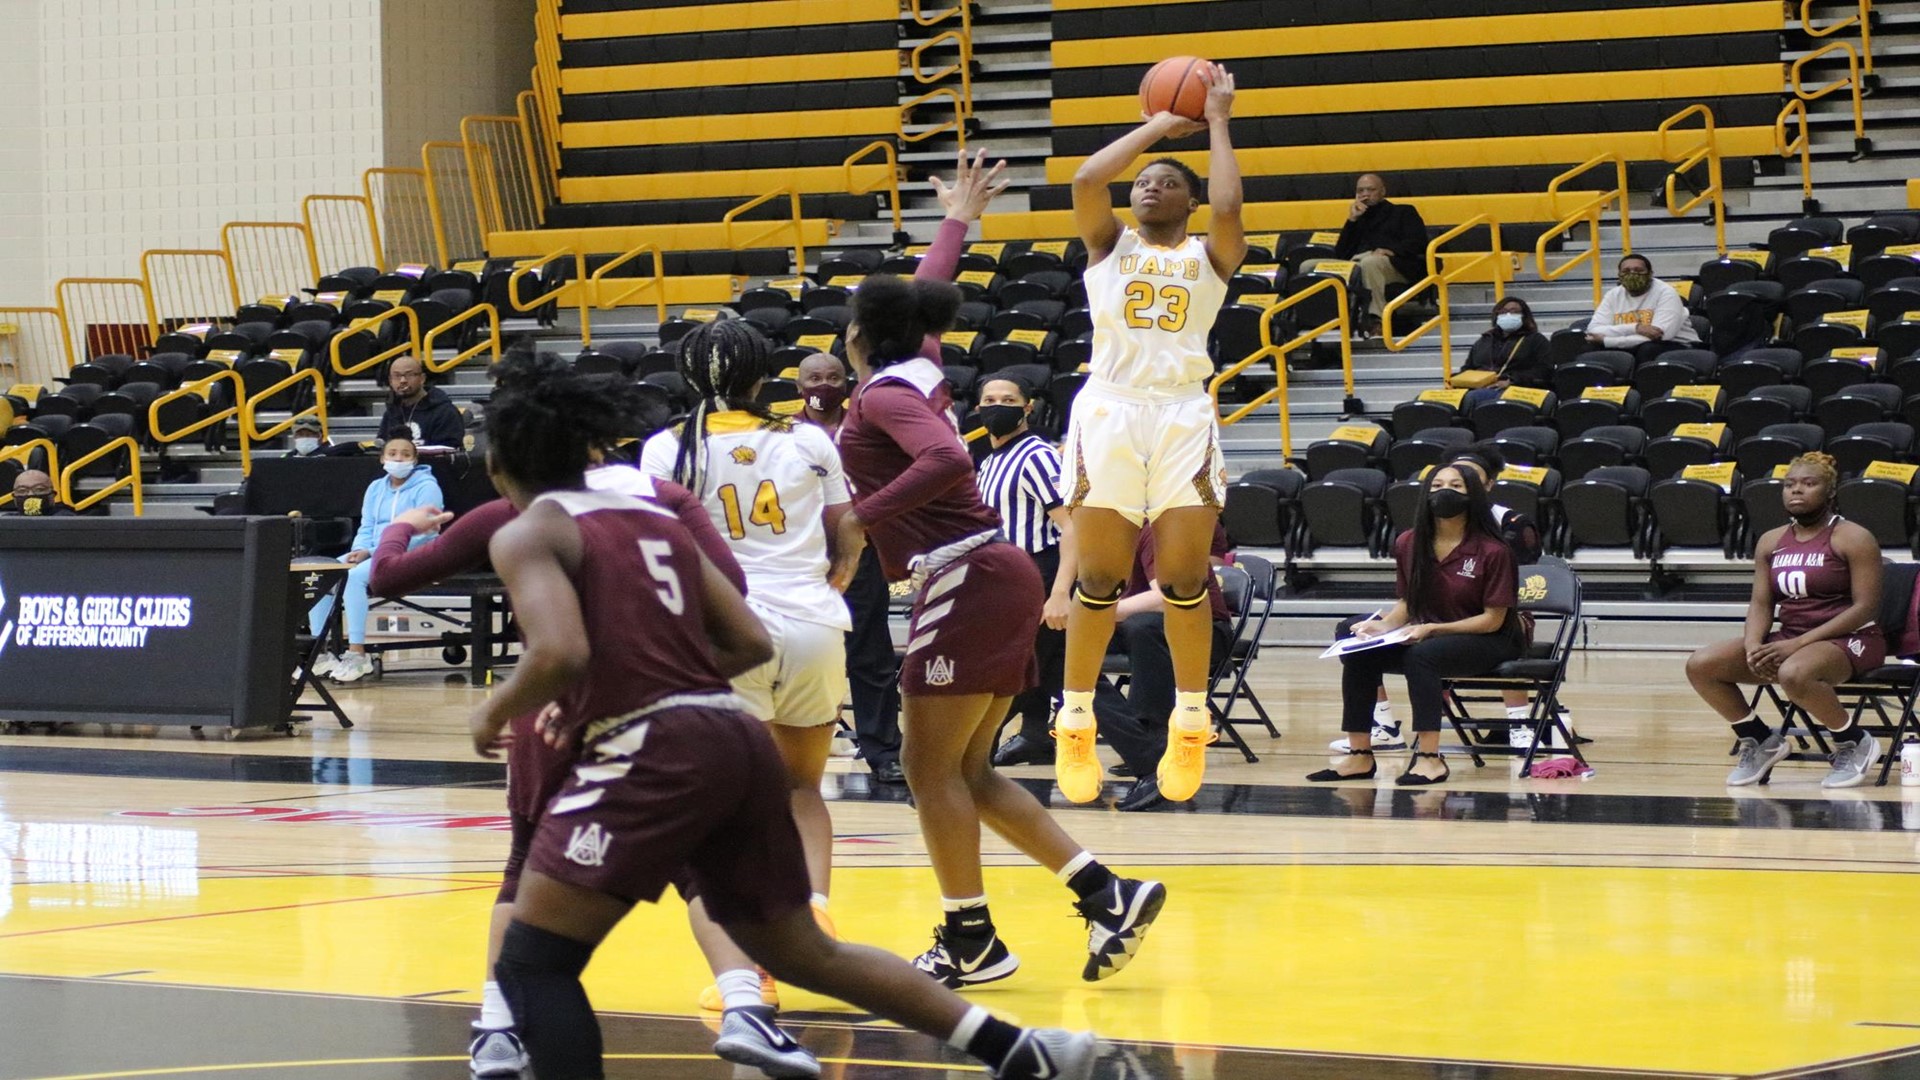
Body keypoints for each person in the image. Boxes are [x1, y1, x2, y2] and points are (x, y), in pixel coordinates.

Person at [474, 348, 1112, 1080]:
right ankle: (1021, 1050)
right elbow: (744, 637)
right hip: (735, 731)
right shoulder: (653, 521)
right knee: (807, 951)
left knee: (536, 961)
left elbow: (557, 653)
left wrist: (493, 713)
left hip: (656, 744)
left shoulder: (533, 529)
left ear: (501, 468)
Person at [368, 355, 769, 1078]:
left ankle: (495, 1025)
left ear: (507, 455)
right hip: (664, 710)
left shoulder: (522, 513)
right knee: (696, 863)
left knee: (526, 871)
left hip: (557, 708)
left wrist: (401, 527)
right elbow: (733, 593)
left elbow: (388, 577)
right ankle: (746, 1005)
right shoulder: (663, 500)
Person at [834, 267, 1166, 992]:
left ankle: (969, 939)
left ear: (858, 336)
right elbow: (921, 301)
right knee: (969, 773)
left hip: (966, 576)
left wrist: (861, 517)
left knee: (927, 769)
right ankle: (1107, 895)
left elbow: (949, 457)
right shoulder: (922, 376)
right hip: (990, 572)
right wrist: (954, 225)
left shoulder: (885, 393)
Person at [641, 318, 860, 1009]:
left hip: (729, 631)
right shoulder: (807, 438)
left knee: (726, 815)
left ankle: (748, 975)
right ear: (765, 376)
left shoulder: (666, 449)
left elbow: (660, 549)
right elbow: (847, 524)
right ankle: (815, 906)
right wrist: (843, 571)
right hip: (814, 623)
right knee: (802, 788)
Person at [1060, 65, 1243, 805]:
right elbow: (1084, 179)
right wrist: (1160, 126)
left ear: (1189, 202)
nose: (1150, 186)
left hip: (1180, 413)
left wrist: (1219, 120)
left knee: (1183, 581)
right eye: (1146, 181)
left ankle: (1191, 719)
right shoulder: (1109, 247)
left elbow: (1229, 204)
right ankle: (1074, 719)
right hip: (1108, 409)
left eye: (1168, 182)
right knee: (1098, 580)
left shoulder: (1210, 255)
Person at [1309, 464, 1523, 786]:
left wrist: (1433, 630)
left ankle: (1429, 759)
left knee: (1423, 655)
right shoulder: (1409, 542)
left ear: (1473, 496)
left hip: (1490, 639)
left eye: (1455, 485)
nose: (1444, 491)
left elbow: (1493, 620)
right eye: (1436, 485)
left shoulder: (1494, 550)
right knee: (1355, 643)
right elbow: (1407, 604)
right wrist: (1382, 627)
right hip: (1429, 632)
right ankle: (1359, 756)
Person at [1686, 452, 1886, 788]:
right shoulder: (1771, 541)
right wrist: (1753, 646)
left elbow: (1865, 608)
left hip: (1853, 638)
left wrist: (1796, 645)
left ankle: (1854, 742)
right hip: (1792, 639)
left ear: (1830, 492)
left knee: (1794, 671)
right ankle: (1760, 739)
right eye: (1790, 484)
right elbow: (1761, 603)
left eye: (1809, 484)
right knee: (1702, 665)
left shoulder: (1853, 537)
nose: (1797, 491)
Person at [797, 348, 905, 783]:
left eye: (833, 377)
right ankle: (790, 751)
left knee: (870, 652)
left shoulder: (864, 429)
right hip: (800, 555)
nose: (824, 385)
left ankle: (883, 751)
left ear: (847, 384)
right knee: (798, 653)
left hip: (861, 551)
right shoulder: (781, 433)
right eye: (815, 378)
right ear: (798, 388)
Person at [1092, 524, 1235, 812]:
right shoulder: (1107, 534)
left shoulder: (1157, 532)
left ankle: (1152, 731)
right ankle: (1037, 730)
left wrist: (1101, 611)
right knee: (1060, 639)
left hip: (1204, 630)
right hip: (1143, 627)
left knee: (1143, 628)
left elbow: (1166, 597)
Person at [975, 376, 1077, 767]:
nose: (998, 405)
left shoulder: (1037, 456)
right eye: (990, 399)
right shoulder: (988, 460)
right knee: (1045, 671)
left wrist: (1060, 592)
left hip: (1040, 574)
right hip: (1003, 579)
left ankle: (969, 758)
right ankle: (1035, 736)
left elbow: (1072, 527)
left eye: (1008, 398)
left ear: (1027, 408)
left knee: (1005, 675)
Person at [309, 435, 442, 684]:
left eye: (405, 454)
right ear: (383, 458)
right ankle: (319, 652)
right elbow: (367, 526)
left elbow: (427, 531)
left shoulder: (427, 487)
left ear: (414, 460)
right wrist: (359, 549)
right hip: (375, 551)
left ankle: (358, 654)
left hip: (412, 553)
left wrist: (372, 552)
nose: (398, 458)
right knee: (321, 572)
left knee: (352, 577)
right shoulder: (375, 488)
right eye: (393, 454)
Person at [1332, 173, 1428, 339]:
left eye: (1370, 189)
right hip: (1357, 263)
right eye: (1360, 190)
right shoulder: (1358, 219)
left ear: (1383, 191)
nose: (1365, 194)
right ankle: (1317, 319)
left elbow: (1417, 242)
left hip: (1396, 265)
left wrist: (1389, 250)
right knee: (1309, 266)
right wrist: (1352, 221)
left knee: (1370, 263)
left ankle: (1376, 320)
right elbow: (1340, 254)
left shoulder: (1403, 212)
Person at [1584, 253, 1700, 363]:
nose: (1632, 274)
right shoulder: (1613, 295)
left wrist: (1607, 341)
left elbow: (1660, 336)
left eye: (1639, 270)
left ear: (1650, 274)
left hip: (1678, 346)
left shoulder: (1666, 293)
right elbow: (1594, 330)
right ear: (1619, 276)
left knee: (1647, 349)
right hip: (1631, 345)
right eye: (1626, 271)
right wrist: (1636, 328)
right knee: (1591, 350)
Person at [1458, 297, 1551, 410]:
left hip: (1517, 388)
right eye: (1503, 312)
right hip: (1481, 387)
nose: (1508, 315)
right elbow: (1467, 368)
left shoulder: (1536, 340)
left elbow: (1544, 370)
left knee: (1473, 398)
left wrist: (1512, 381)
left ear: (1524, 316)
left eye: (1514, 311)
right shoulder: (1484, 341)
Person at [377, 354, 466, 448]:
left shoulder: (445, 411)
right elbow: (383, 443)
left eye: (409, 375)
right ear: (390, 381)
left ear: (422, 379)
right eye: (397, 376)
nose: (403, 380)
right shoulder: (391, 411)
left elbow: (448, 450)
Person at [6, 470, 72, 517]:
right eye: (22, 490)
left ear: (52, 495)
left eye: (39, 489)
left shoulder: (68, 520)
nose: (30, 494)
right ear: (14, 497)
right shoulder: (5, 522)